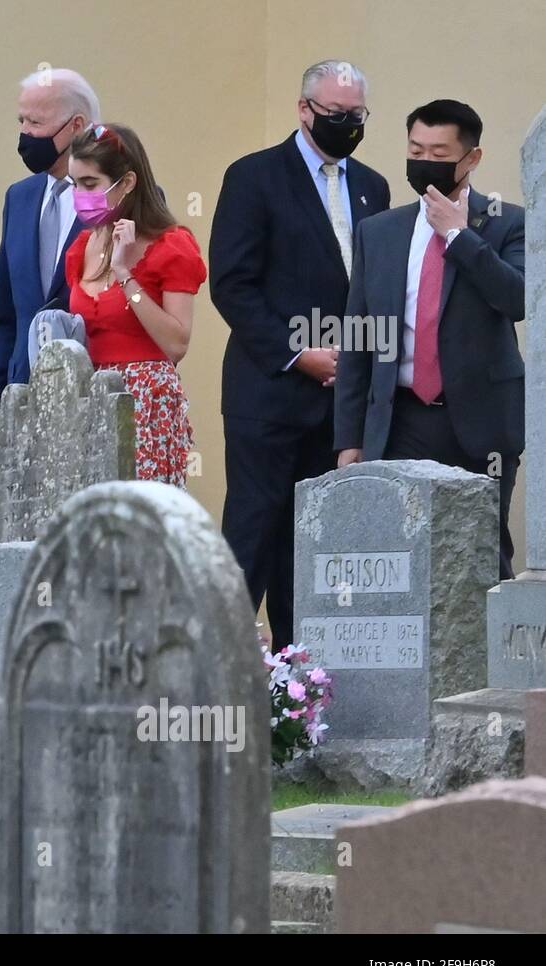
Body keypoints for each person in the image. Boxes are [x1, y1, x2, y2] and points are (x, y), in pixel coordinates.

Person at [210, 60, 391, 650]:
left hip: (340, 400)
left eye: (357, 116)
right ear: (304, 109)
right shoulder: (254, 176)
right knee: (255, 532)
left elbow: (371, 288)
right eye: (336, 115)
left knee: (316, 544)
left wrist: (361, 369)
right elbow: (232, 284)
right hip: (270, 393)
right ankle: (218, 670)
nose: (347, 125)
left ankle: (302, 683)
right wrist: (299, 353)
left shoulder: (372, 185)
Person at [336, 100, 524, 579]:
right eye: (416, 148)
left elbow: (520, 300)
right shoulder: (379, 232)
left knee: (479, 557)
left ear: (471, 159)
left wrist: (460, 238)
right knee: (395, 556)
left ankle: (485, 657)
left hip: (479, 423)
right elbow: (359, 337)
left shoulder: (509, 223)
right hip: (399, 420)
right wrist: (350, 438)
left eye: (438, 152)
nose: (424, 161)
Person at [0, 68, 101, 465]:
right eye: (21, 121)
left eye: (36, 123)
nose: (25, 133)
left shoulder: (121, 197)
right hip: (22, 405)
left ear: (77, 126)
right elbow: (5, 313)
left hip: (92, 401)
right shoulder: (20, 198)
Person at [62, 124, 204, 487]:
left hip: (145, 403)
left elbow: (176, 343)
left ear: (126, 183)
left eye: (90, 184)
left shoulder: (170, 245)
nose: (79, 194)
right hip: (92, 402)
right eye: (74, 184)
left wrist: (126, 275)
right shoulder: (82, 247)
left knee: (136, 532)